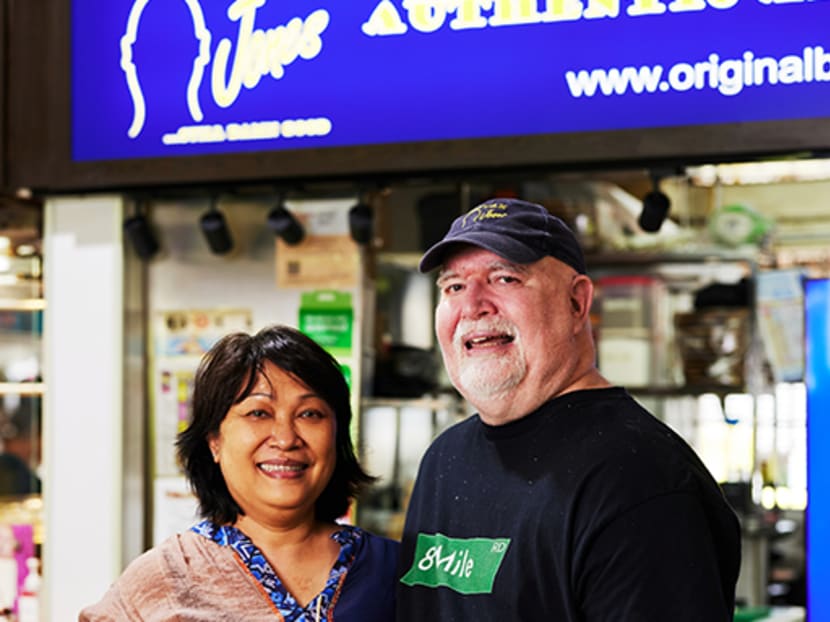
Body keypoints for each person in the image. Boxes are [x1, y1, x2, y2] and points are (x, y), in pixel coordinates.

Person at [396, 198, 742, 621]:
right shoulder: (444, 460)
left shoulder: (639, 478)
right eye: (453, 287)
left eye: (505, 279)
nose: (473, 306)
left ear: (577, 303)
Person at [80, 324, 399, 621]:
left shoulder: (395, 570)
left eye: (309, 413)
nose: (286, 438)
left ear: (337, 436)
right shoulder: (165, 577)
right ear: (214, 441)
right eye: (259, 413)